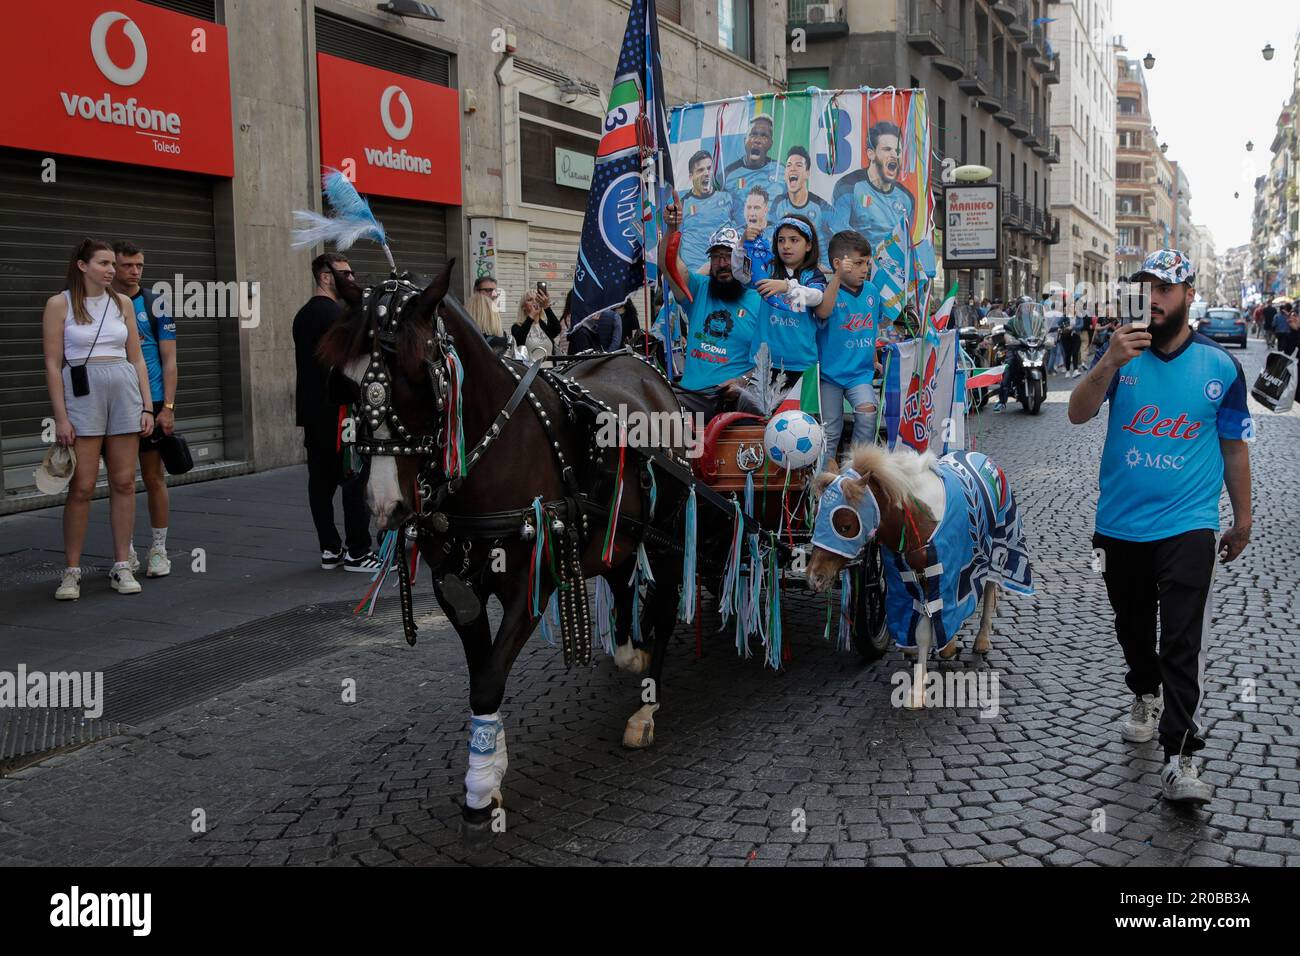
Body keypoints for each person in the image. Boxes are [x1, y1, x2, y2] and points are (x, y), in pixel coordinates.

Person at [1067, 249, 1252, 806]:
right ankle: (1142, 692)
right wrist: (1108, 362)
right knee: (1132, 629)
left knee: (1180, 640)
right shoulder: (1120, 354)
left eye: (1166, 288)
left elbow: (1234, 447)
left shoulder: (1221, 367)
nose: (1154, 298)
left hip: (1189, 525)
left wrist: (1242, 517)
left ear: (1189, 294)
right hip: (1119, 526)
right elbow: (1076, 412)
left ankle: (1180, 757)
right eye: (1146, 287)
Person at [42, 239, 155, 599]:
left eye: (112, 264)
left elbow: (136, 358)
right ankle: (71, 572)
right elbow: (51, 363)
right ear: (82, 265)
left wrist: (147, 406)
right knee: (82, 487)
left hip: (123, 388)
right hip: (82, 390)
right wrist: (61, 417)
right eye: (104, 263)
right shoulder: (59, 304)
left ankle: (122, 565)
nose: (111, 270)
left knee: (124, 482)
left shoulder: (122, 302)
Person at [293, 253, 378, 573]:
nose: (352, 279)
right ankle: (358, 551)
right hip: (341, 410)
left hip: (314, 410)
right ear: (326, 277)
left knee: (321, 482)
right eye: (346, 274)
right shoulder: (336, 315)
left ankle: (330, 549)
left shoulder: (303, 315)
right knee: (355, 477)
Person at [659, 205, 763, 419]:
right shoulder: (700, 288)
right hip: (690, 397)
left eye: (729, 256)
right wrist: (671, 229)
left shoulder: (761, 301)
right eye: (716, 257)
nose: (722, 264)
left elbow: (771, 359)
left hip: (731, 399)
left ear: (743, 259)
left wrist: (742, 381)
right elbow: (668, 265)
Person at [111, 240, 176, 578]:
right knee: (120, 480)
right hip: (114, 404)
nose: (134, 272)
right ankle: (128, 551)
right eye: (127, 266)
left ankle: (159, 550)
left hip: (150, 403)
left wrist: (167, 406)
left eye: (139, 265)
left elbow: (169, 358)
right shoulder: (101, 304)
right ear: (112, 266)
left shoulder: (155, 302)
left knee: (153, 477)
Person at [815, 231, 881, 455]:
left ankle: (856, 468)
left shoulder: (872, 292)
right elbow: (823, 313)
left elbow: (872, 329)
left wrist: (874, 358)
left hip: (859, 374)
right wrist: (836, 278)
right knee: (830, 431)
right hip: (829, 375)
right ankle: (824, 478)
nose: (865, 269)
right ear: (838, 263)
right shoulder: (827, 292)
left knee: (867, 412)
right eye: (858, 263)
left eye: (867, 263)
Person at [752, 214, 826, 379]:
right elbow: (741, 274)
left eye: (794, 240)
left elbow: (817, 297)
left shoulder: (813, 275)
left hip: (802, 363)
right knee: (762, 406)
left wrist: (787, 287)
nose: (786, 246)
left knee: (800, 407)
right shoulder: (768, 270)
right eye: (781, 240)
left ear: (808, 245)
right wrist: (744, 244)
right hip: (765, 362)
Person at [832, 121, 917, 253]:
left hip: (892, 270)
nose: (894, 155)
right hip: (859, 268)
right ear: (871, 154)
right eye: (887, 149)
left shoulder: (907, 198)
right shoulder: (847, 187)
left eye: (898, 150)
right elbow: (840, 236)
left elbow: (906, 244)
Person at [770, 146, 836, 267]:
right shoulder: (778, 203)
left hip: (819, 270)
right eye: (789, 165)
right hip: (788, 269)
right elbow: (769, 236)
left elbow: (841, 236)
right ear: (785, 174)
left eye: (798, 165)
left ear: (807, 173)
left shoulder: (821, 206)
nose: (792, 169)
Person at [679, 150, 734, 273]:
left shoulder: (727, 198)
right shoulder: (682, 204)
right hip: (694, 274)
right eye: (700, 170)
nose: (706, 173)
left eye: (709, 168)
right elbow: (674, 243)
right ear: (690, 176)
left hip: (723, 269)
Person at [724, 115, 784, 225]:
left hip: (772, 239)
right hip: (741, 239)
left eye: (764, 136)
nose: (757, 140)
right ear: (744, 140)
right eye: (753, 134)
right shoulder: (728, 174)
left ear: (771, 143)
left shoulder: (781, 171)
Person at [510, 289, 561, 362]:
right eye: (530, 300)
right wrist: (531, 316)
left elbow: (557, 329)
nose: (534, 302)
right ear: (524, 307)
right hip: (530, 371)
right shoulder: (517, 327)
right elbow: (519, 339)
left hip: (549, 370)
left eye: (537, 299)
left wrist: (546, 307)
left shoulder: (543, 325)